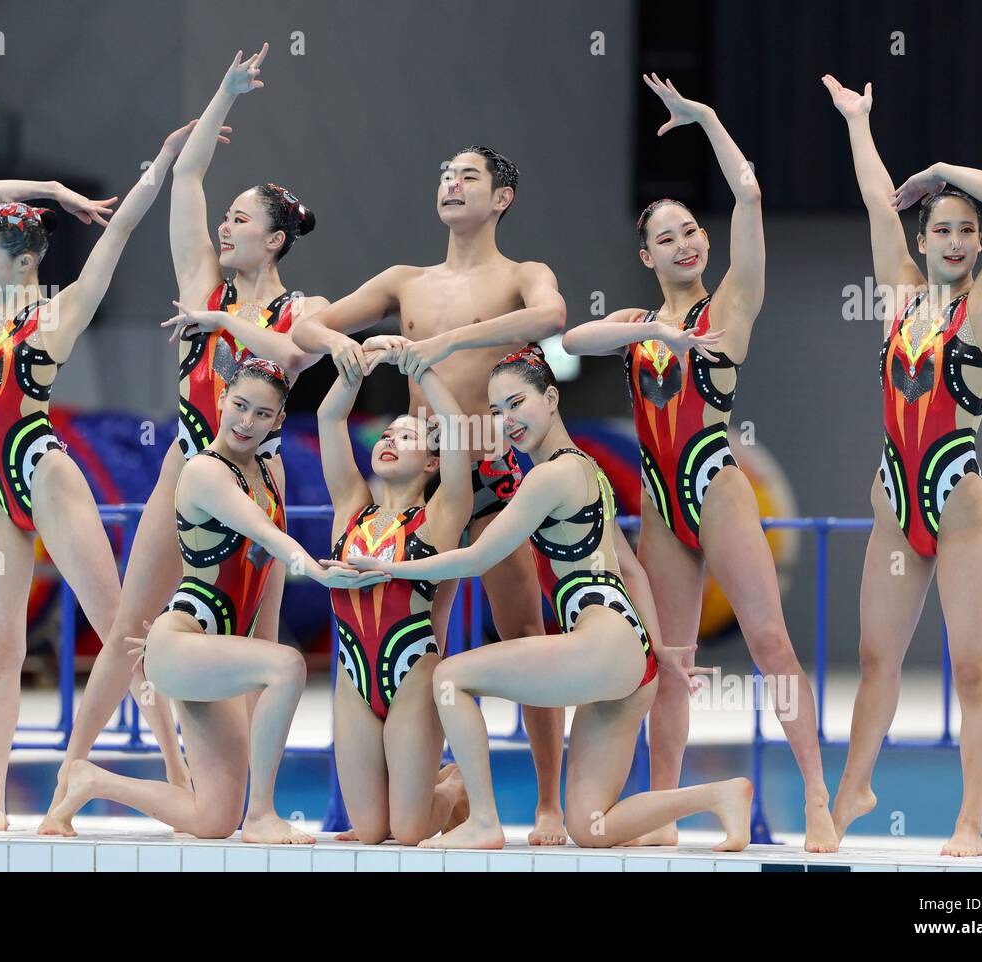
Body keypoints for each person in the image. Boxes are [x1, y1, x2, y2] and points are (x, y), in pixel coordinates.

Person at [39, 45, 327, 834]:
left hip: (264, 481)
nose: (225, 223)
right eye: (227, 216)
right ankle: (72, 773)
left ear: (273, 241)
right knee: (132, 632)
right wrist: (224, 97)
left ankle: (240, 797)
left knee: (255, 638)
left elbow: (297, 356)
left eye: (242, 217)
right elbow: (189, 179)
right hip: (189, 469)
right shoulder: (200, 276)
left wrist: (225, 324)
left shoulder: (300, 306)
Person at [563, 75, 836, 851]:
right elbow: (570, 346)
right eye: (668, 236)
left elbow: (748, 194)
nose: (686, 243)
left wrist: (708, 118)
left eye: (692, 232)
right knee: (670, 665)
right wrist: (642, 335)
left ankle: (816, 794)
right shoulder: (637, 322)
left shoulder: (730, 310)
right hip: (657, 503)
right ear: (644, 253)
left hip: (715, 486)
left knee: (770, 644)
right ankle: (664, 811)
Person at [347, 347, 754, 850]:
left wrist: (389, 569)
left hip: (603, 643)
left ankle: (484, 822)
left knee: (450, 679)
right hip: (628, 658)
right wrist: (659, 650)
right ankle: (720, 795)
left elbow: (475, 559)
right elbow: (631, 570)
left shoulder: (549, 476)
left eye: (517, 403)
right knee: (590, 826)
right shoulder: (590, 470)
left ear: (552, 396)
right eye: (496, 412)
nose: (507, 420)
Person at [292, 144, 573, 844]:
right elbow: (305, 325)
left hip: (492, 473)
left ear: (501, 197)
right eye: (444, 175)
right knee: (415, 636)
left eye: (467, 176)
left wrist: (448, 345)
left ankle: (547, 804)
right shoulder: (404, 280)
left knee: (525, 631)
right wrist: (342, 348)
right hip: (423, 478)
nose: (450, 183)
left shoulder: (521, 273)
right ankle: (422, 787)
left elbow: (552, 318)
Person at [0, 121, 196, 832]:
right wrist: (51, 188)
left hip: (47, 477)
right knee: (2, 649)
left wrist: (169, 158)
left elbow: (116, 237)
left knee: (123, 636)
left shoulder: (55, 317)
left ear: (23, 263)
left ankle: (180, 780)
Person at [46, 359, 387, 842]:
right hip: (181, 643)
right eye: (240, 406)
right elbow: (263, 533)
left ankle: (92, 779)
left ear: (279, 421)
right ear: (222, 399)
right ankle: (263, 814)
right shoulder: (203, 470)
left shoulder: (270, 473)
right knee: (289, 666)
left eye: (263, 414)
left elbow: (263, 593)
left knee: (212, 818)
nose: (247, 422)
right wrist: (313, 567)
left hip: (219, 659)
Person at [822, 74, 982, 856]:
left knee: (972, 669)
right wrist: (859, 122)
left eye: (964, 231)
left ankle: (969, 821)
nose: (953, 241)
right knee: (877, 659)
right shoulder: (899, 297)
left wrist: (942, 172)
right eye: (940, 230)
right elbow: (880, 203)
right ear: (925, 239)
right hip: (893, 510)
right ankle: (849, 797)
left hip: (961, 507)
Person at [317, 352, 474, 844]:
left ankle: (451, 791)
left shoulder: (443, 513)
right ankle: (430, 786)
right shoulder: (349, 506)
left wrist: (417, 366)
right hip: (352, 676)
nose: (389, 440)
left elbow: (456, 425)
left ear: (432, 462)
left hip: (412, 678)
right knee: (368, 834)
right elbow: (329, 416)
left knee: (407, 835)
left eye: (406, 437)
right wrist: (358, 364)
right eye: (386, 434)